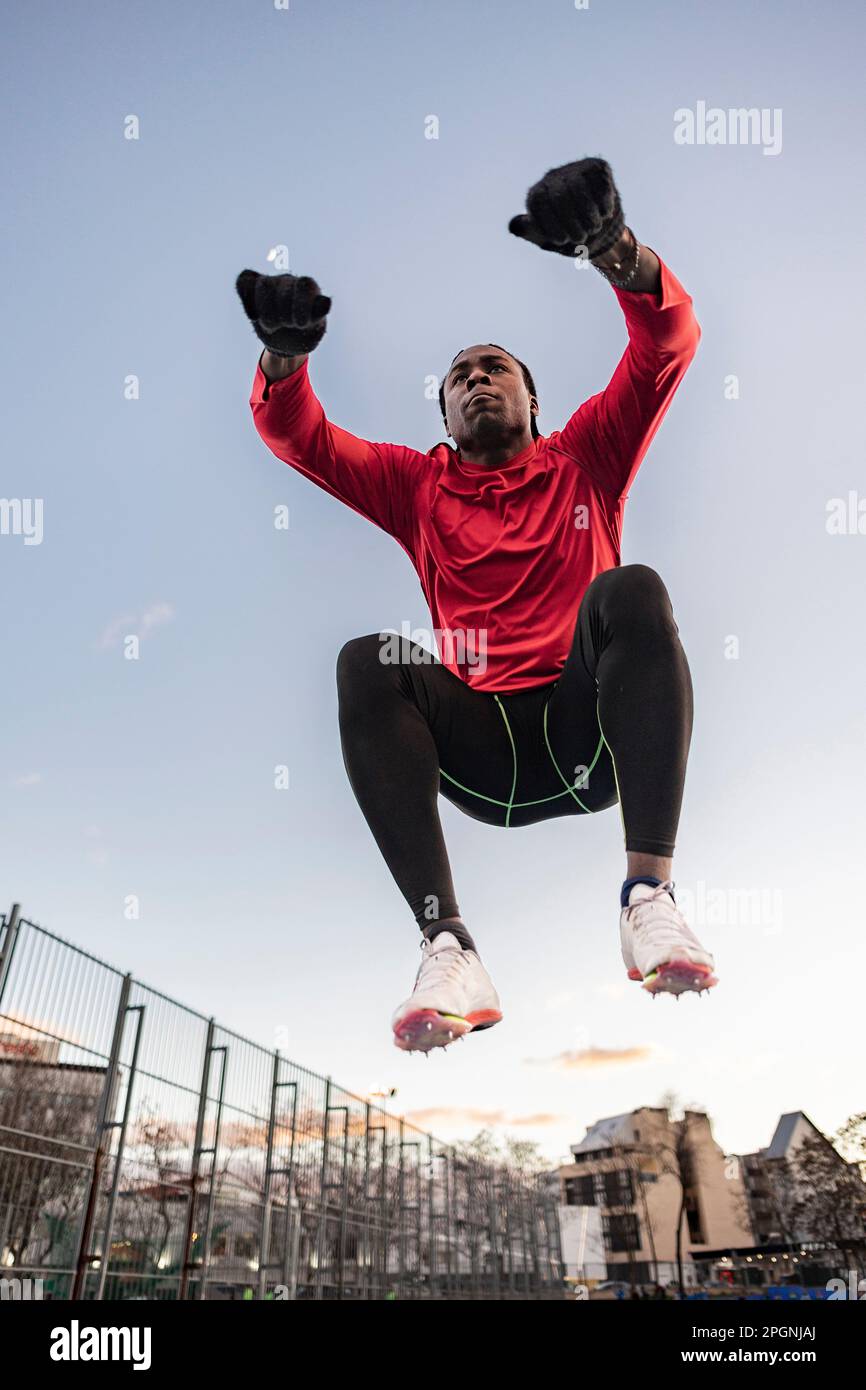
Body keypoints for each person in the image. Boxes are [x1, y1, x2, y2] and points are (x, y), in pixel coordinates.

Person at [236, 157, 717, 1055]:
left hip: (589, 739)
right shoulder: (416, 487)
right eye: (459, 376)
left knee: (631, 589)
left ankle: (648, 896)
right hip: (484, 759)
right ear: (444, 411)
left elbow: (668, 345)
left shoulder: (586, 458)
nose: (477, 379)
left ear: (533, 399)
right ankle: (446, 943)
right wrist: (283, 356)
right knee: (364, 659)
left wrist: (614, 251)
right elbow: (298, 436)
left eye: (495, 368)